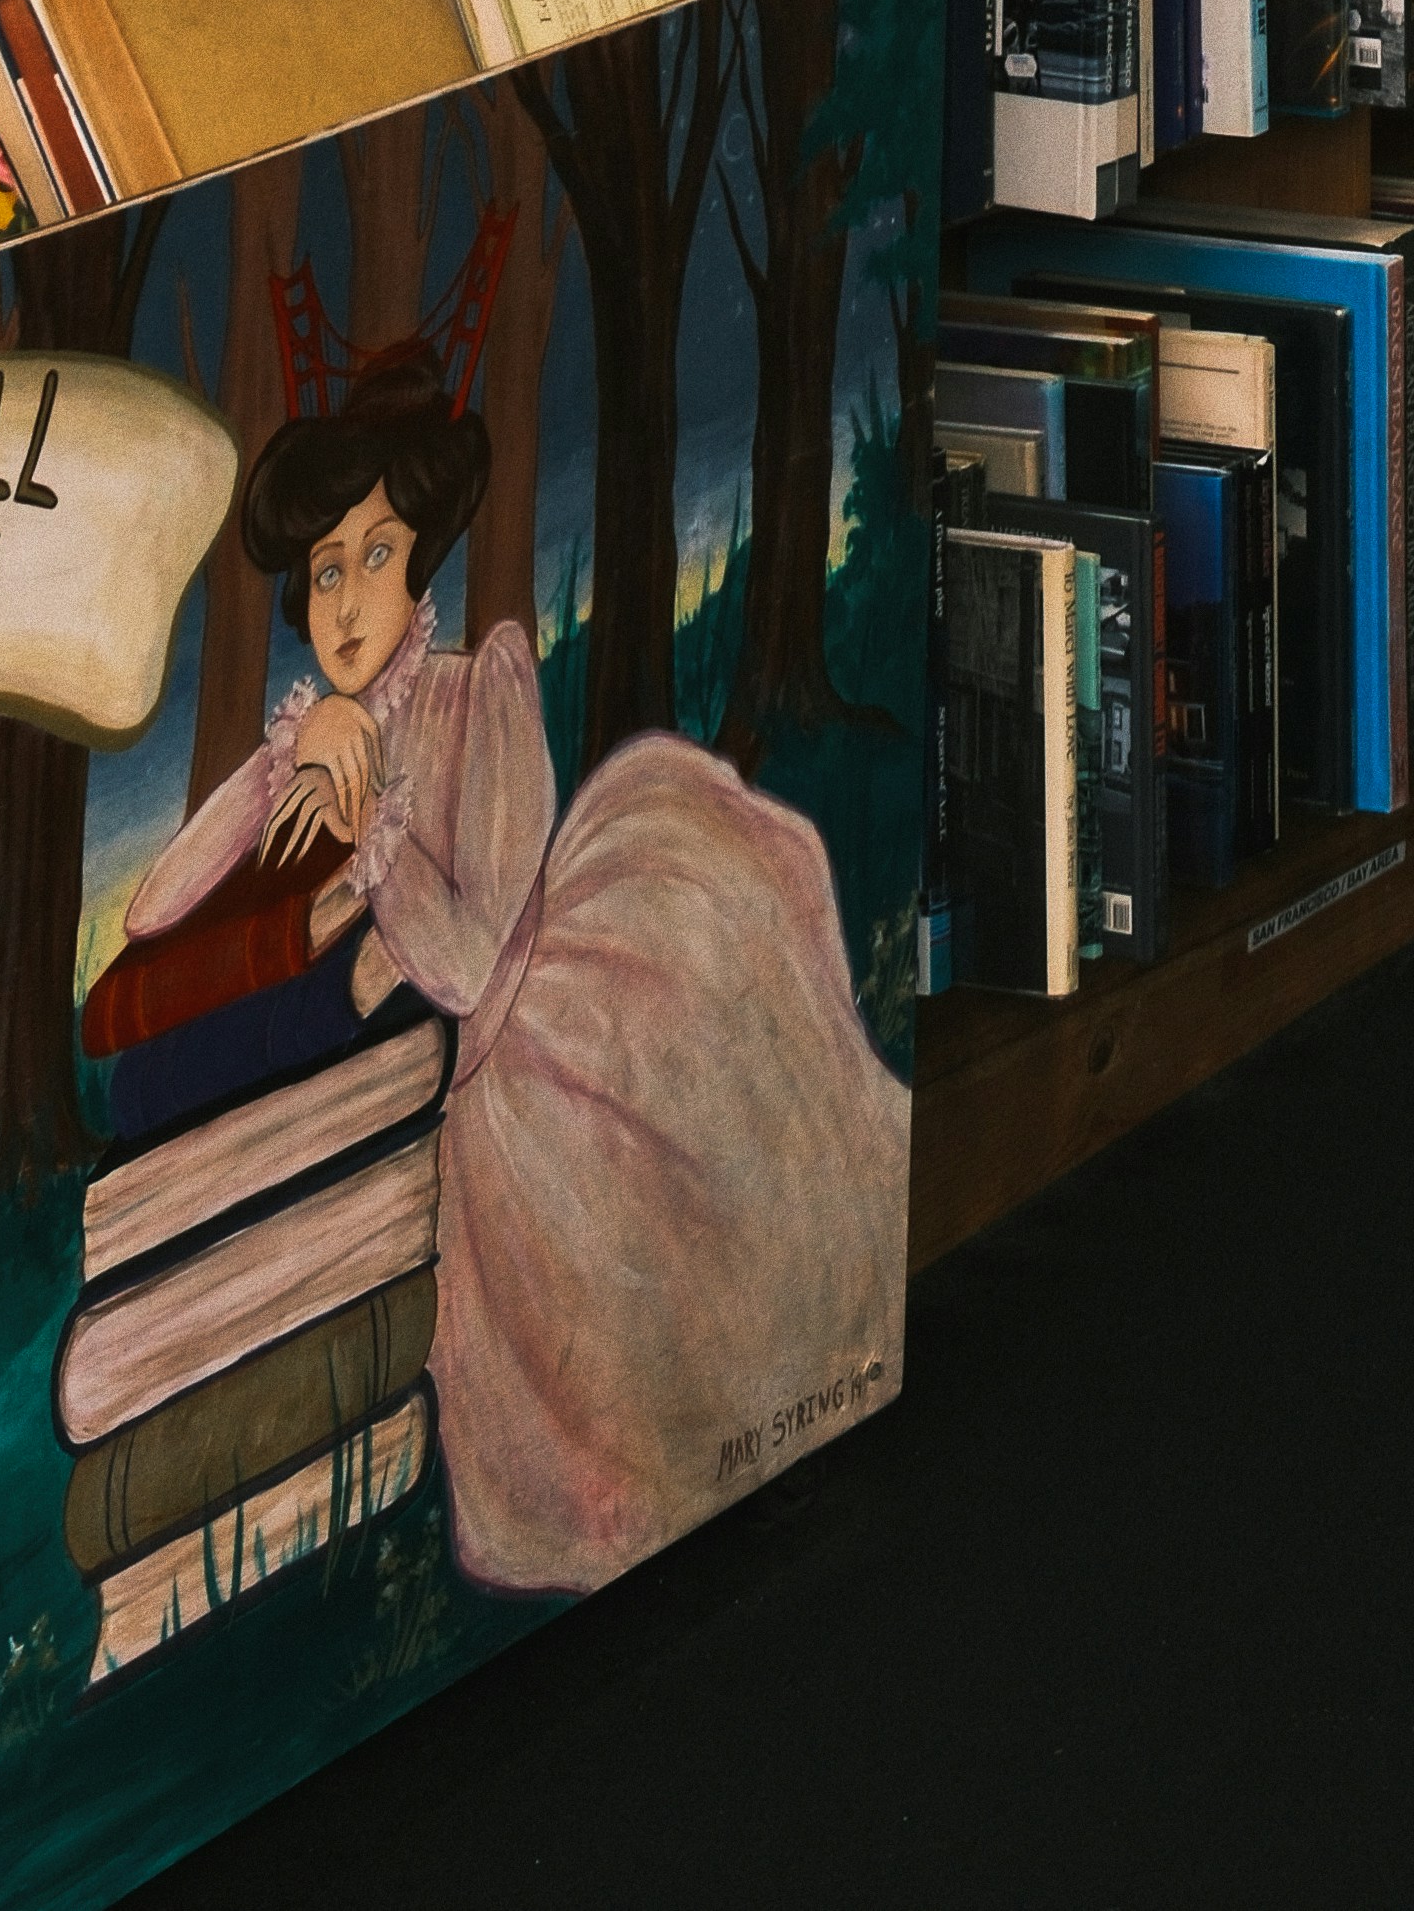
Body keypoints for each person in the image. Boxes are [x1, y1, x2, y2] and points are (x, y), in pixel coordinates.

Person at [99, 343, 907, 1595]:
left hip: (550, 1033)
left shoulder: (485, 691)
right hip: (440, 1077)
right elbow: (153, 911)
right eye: (323, 573)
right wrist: (299, 747)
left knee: (696, 1273)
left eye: (375, 555)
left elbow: (474, 960)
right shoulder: (319, 743)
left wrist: (372, 839)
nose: (349, 601)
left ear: (422, 555)